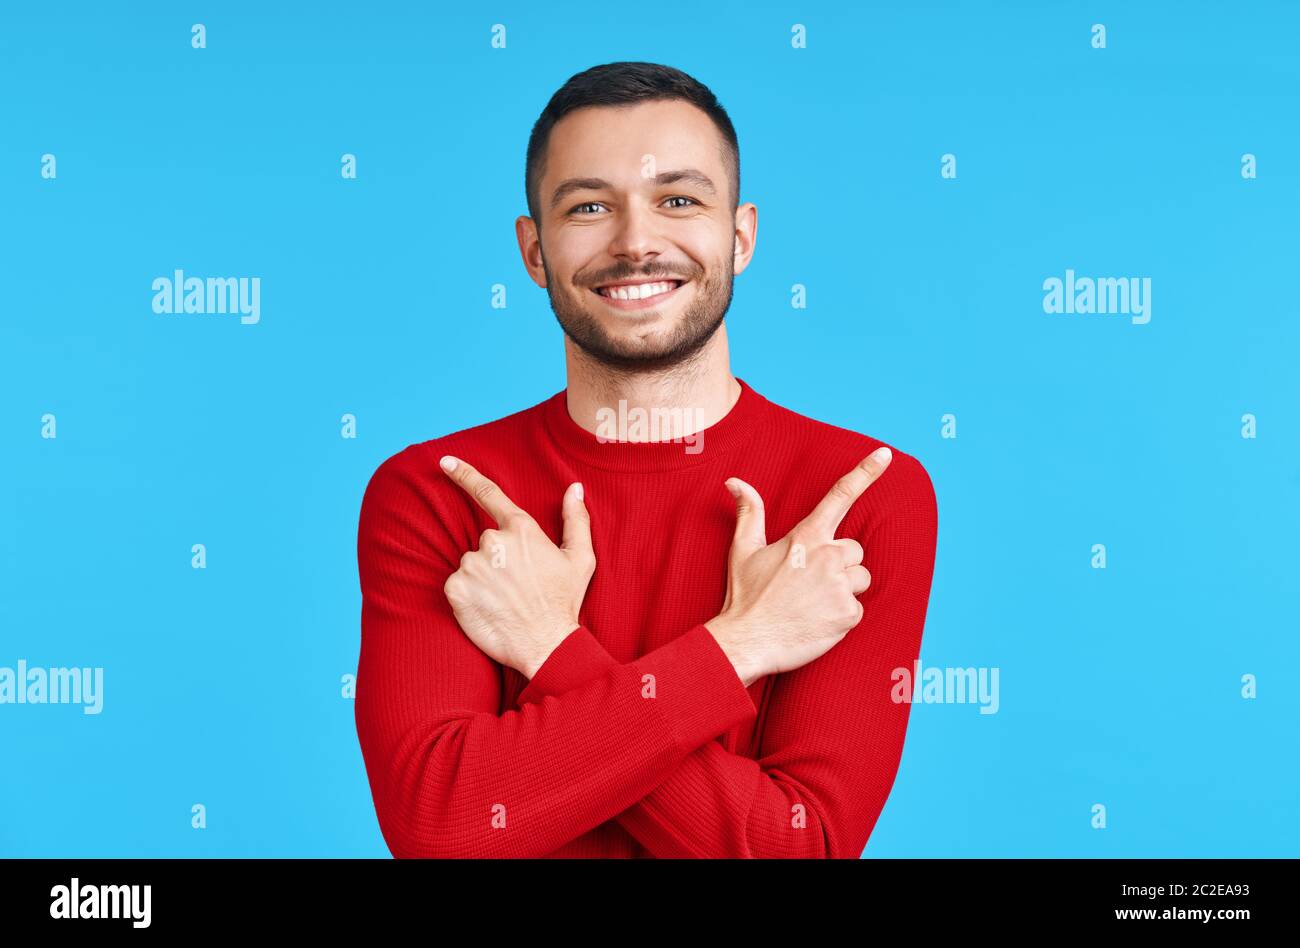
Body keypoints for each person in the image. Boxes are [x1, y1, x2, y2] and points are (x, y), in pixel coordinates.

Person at [354, 61, 938, 858]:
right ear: (533, 251)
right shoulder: (436, 493)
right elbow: (442, 826)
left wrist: (552, 653)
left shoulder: (861, 494)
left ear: (740, 238)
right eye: (589, 206)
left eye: (678, 201)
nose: (636, 242)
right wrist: (744, 644)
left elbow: (798, 848)